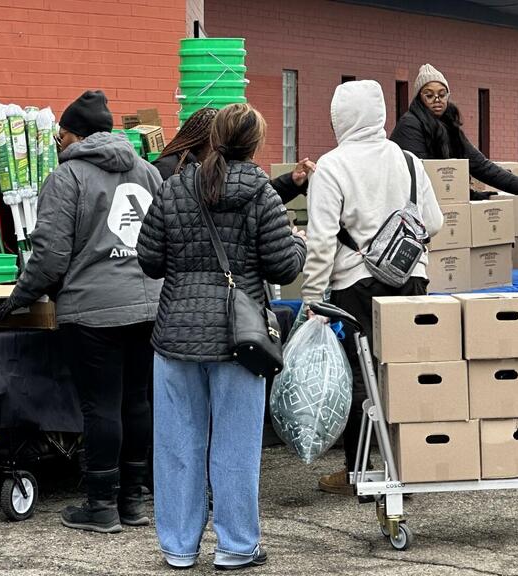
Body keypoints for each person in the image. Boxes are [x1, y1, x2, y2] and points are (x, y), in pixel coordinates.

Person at [137, 103, 305, 570]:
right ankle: (235, 545)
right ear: (253, 145)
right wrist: (297, 242)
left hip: (176, 335)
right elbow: (282, 267)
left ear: (212, 139)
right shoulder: (262, 194)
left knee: (176, 446)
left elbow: (148, 261)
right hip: (240, 339)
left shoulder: (173, 188)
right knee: (236, 446)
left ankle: (177, 546)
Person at [0, 90, 163, 533]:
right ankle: (134, 500)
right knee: (137, 399)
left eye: (61, 134)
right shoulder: (147, 172)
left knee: (100, 406)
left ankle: (101, 505)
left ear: (75, 135)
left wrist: (20, 296)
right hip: (148, 305)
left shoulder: (66, 177)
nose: (57, 141)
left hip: (94, 311)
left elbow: (50, 254)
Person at [301, 80, 443, 495]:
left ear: (340, 118)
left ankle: (359, 472)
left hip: (355, 283)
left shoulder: (332, 166)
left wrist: (312, 297)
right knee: (405, 373)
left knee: (363, 375)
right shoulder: (410, 161)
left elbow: (323, 239)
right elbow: (433, 222)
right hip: (411, 277)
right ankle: (410, 467)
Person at [390, 63, 518, 198]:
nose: (437, 100)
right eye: (429, 95)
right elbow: (421, 173)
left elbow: (480, 164)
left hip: (441, 198)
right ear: (419, 99)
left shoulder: (449, 127)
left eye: (442, 95)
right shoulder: (409, 125)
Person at [154, 106, 316, 203]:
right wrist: (297, 243)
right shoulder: (167, 171)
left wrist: (292, 181)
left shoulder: (213, 170)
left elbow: (252, 198)